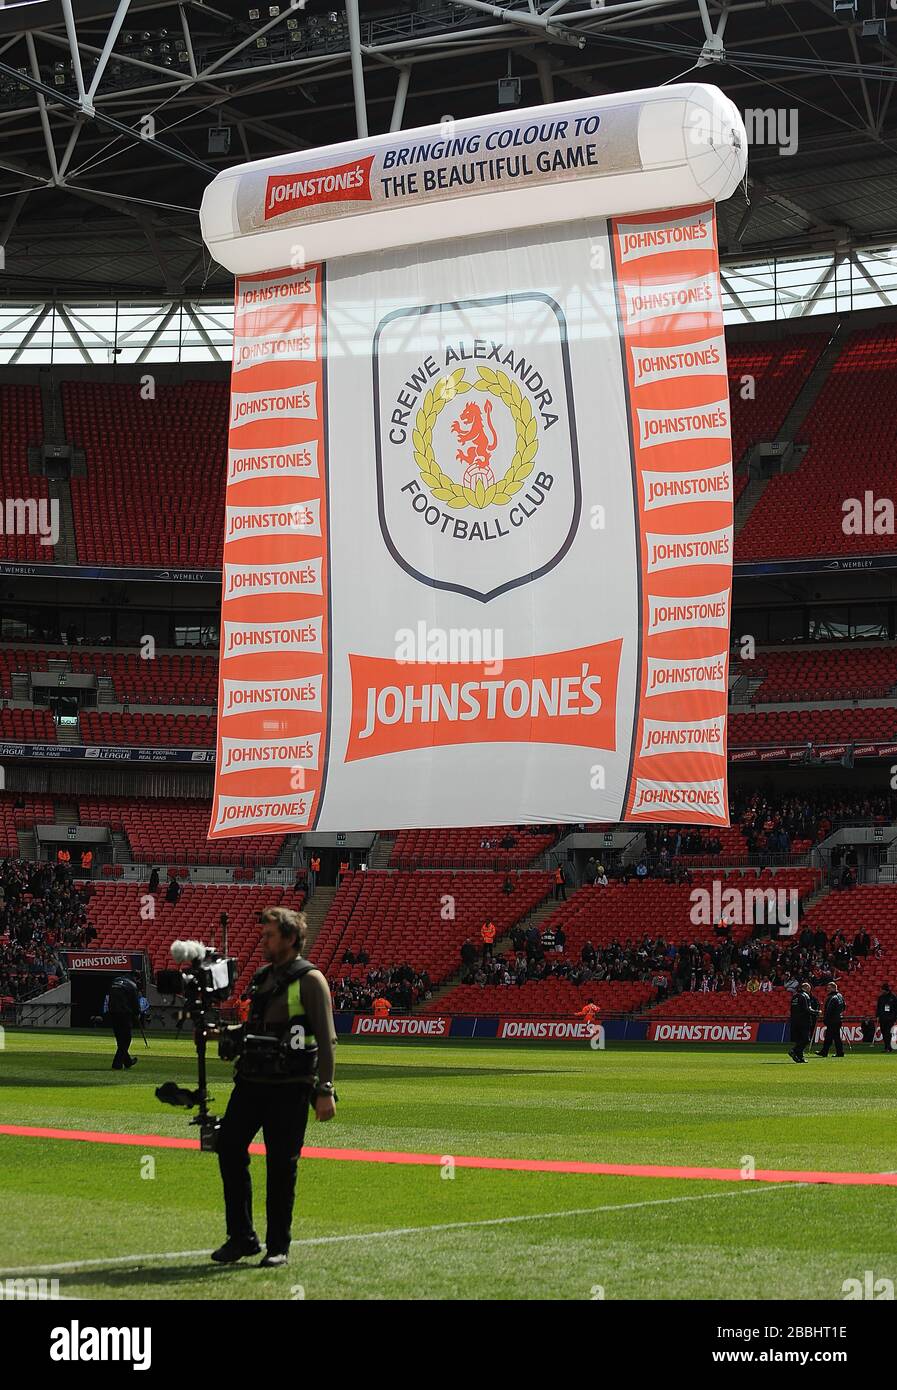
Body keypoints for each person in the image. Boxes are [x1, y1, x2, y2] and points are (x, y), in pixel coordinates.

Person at [212, 907, 337, 1268]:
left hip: (290, 1086)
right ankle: (241, 1238)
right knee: (229, 1147)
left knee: (281, 1166)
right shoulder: (262, 976)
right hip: (250, 1082)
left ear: (290, 938)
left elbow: (327, 1040)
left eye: (269, 935)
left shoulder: (311, 980)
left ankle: (278, 1245)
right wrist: (222, 1036)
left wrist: (325, 1089)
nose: (262, 940)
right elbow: (259, 1029)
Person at [107, 972, 140, 1071]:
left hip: (113, 1012)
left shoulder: (115, 981)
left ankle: (128, 1061)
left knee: (120, 1039)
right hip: (124, 1013)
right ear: (135, 977)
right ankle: (117, 1064)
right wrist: (137, 1012)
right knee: (126, 1038)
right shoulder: (132, 985)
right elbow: (134, 1001)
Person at [788, 981, 818, 1064]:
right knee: (806, 1039)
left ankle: (800, 1057)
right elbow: (807, 1009)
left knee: (799, 1040)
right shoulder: (805, 996)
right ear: (807, 988)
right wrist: (817, 1012)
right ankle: (794, 1050)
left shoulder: (794, 996)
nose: (810, 991)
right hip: (804, 1021)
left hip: (794, 1021)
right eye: (809, 989)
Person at [816, 982, 846, 1057]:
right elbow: (844, 1007)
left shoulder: (832, 997)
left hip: (832, 1020)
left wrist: (825, 1019)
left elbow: (829, 1010)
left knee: (830, 1037)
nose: (827, 989)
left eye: (829, 988)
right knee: (835, 1037)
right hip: (838, 1019)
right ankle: (838, 1052)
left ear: (833, 988)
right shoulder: (840, 996)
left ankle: (825, 1052)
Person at [876, 982, 897, 1052]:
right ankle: (888, 1047)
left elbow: (896, 1009)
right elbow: (878, 1007)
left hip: (890, 1019)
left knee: (888, 1033)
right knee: (884, 1033)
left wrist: (894, 1018)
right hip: (882, 1018)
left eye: (882, 990)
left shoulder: (893, 998)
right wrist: (877, 1016)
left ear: (886, 990)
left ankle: (887, 1048)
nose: (881, 991)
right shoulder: (881, 998)